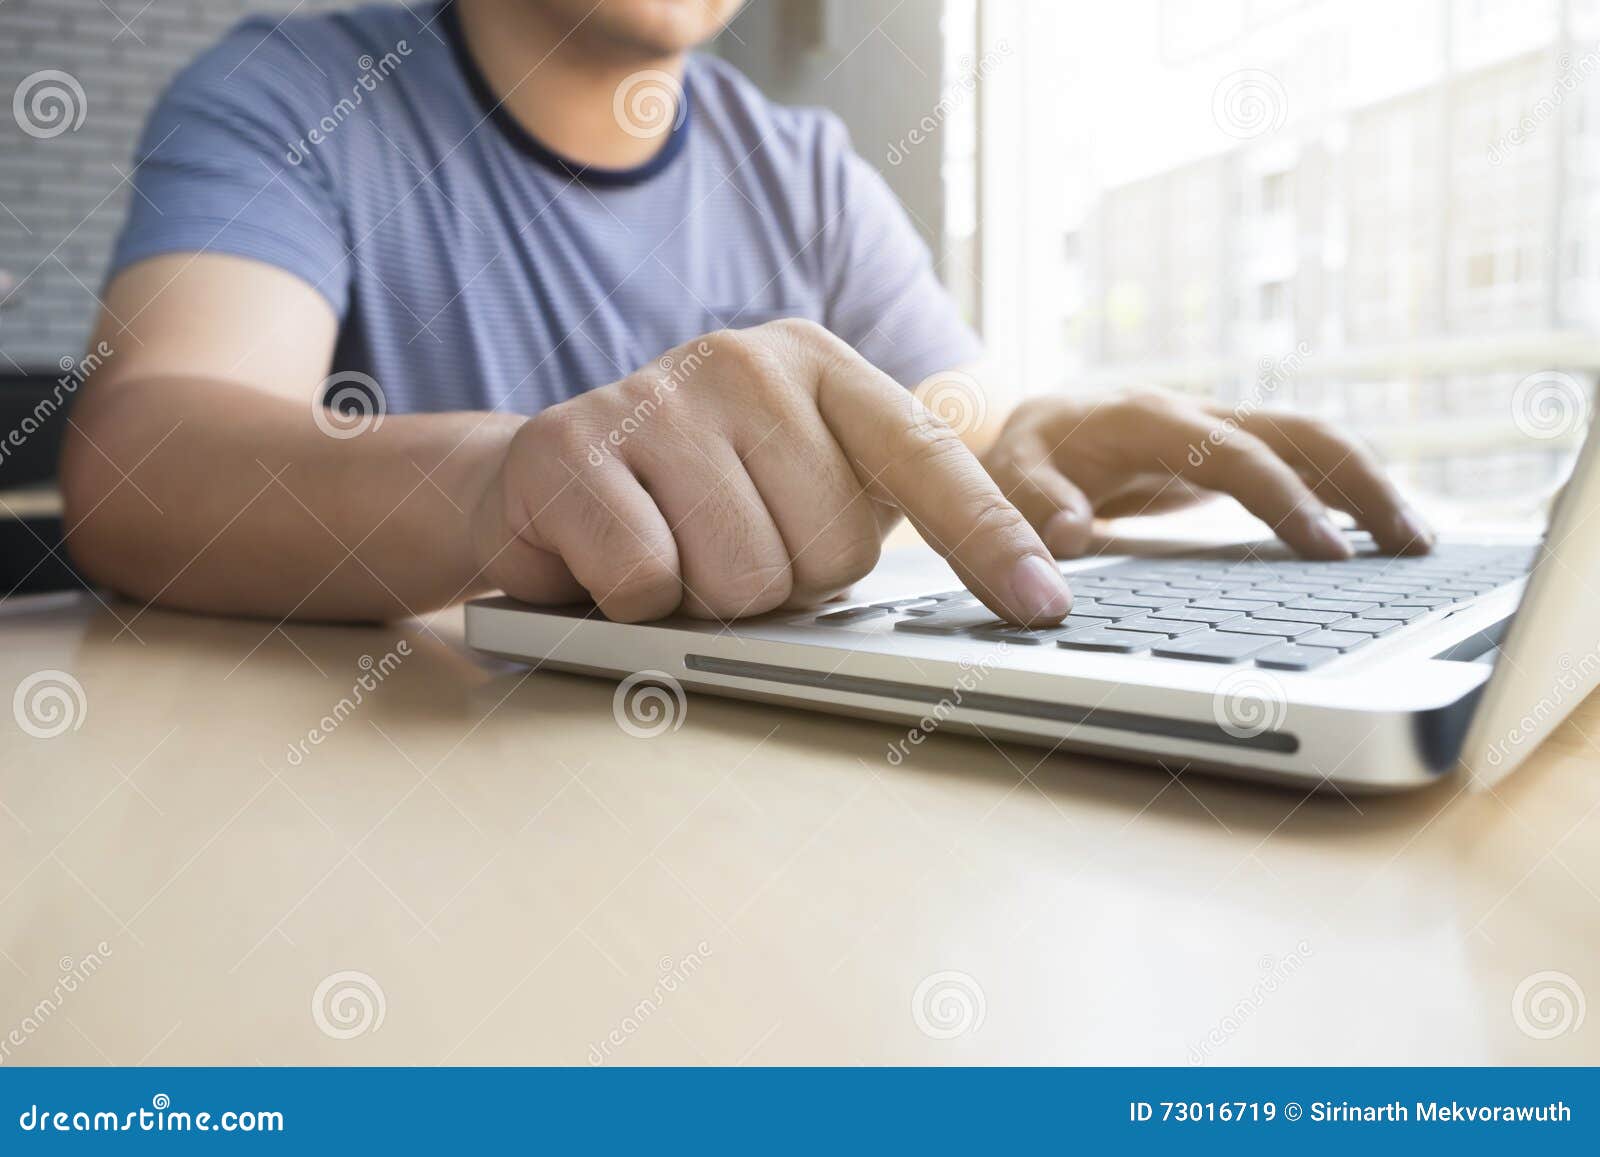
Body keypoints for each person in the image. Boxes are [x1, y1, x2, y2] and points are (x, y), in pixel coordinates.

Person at [61, 0, 1432, 628]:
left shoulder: (813, 173)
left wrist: (1022, 438)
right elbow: (141, 464)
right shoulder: (295, 97)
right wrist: (514, 482)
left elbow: (958, 418)